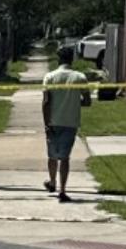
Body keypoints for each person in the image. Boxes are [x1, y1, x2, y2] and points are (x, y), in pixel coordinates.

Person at [41, 45, 87, 203]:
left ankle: (52, 182)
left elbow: (46, 102)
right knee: (65, 158)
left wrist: (46, 123)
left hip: (53, 122)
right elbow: (87, 101)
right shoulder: (80, 77)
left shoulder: (49, 77)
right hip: (70, 122)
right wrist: (74, 101)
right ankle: (62, 190)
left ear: (58, 59)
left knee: (52, 156)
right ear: (72, 59)